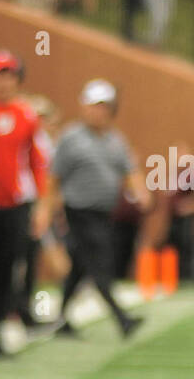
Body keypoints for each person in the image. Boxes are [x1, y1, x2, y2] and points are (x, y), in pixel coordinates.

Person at [39, 79, 148, 337]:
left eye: (103, 107)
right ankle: (122, 318)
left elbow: (130, 170)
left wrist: (142, 192)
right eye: (93, 106)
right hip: (79, 212)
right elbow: (53, 177)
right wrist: (45, 209)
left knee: (78, 267)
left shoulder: (115, 139)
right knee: (100, 263)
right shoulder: (71, 138)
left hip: (103, 214)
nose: (97, 112)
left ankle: (62, 321)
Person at [0, 51, 50, 357]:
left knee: (6, 269)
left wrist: (41, 206)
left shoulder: (26, 115)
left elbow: (37, 163)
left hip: (13, 206)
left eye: (9, 75)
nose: (3, 82)